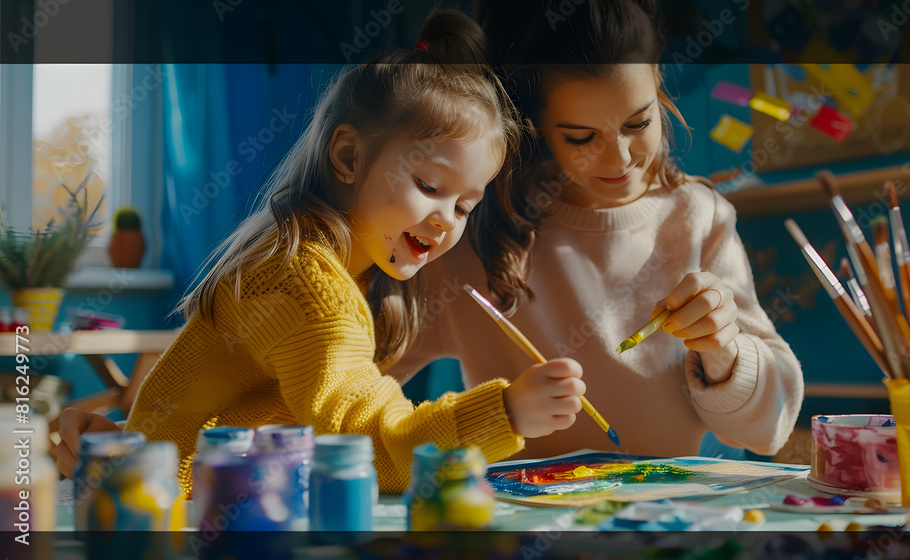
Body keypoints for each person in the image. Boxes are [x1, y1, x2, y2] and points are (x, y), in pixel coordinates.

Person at [55, 10, 586, 496]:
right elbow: (371, 450)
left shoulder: (319, 263)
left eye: (466, 205)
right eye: (428, 184)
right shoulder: (310, 290)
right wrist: (505, 412)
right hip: (185, 511)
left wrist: (125, 440)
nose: (446, 218)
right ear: (350, 155)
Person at [387, 0, 804, 460]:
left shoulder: (700, 216)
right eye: (581, 138)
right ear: (536, 125)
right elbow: (352, 396)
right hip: (522, 522)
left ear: (659, 87)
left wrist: (725, 354)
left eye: (638, 122)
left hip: (677, 517)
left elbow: (769, 431)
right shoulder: (472, 231)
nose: (620, 159)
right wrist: (492, 416)